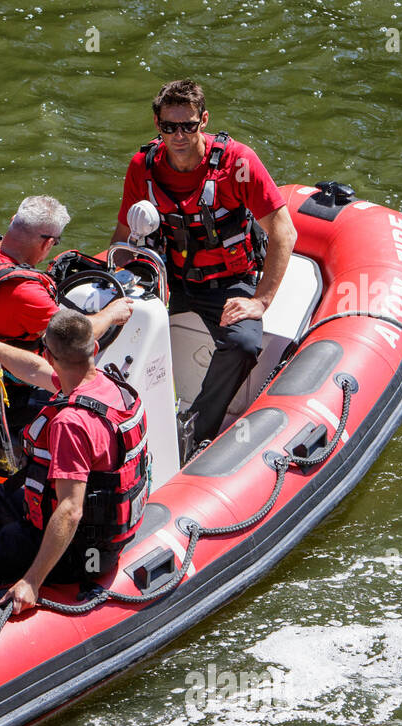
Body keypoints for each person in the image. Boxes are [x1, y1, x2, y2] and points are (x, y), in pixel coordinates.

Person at [0, 309, 149, 626]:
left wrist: (32, 580)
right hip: (96, 530)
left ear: (49, 354)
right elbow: (34, 370)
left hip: (79, 553)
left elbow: (70, 510)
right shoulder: (106, 387)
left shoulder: (71, 423)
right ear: (93, 349)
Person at [110, 79, 297, 449]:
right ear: (157, 125)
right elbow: (121, 236)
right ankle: (120, 419)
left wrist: (260, 301)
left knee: (244, 343)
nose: (178, 135)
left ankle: (194, 429)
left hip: (227, 281)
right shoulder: (142, 167)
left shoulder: (238, 163)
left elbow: (284, 233)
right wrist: (118, 286)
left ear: (204, 121)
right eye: (169, 127)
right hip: (168, 276)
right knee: (113, 326)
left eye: (188, 125)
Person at [0, 195, 131, 349]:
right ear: (48, 243)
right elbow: (74, 339)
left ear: (13, 220)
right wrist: (110, 314)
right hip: (0, 387)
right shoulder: (25, 292)